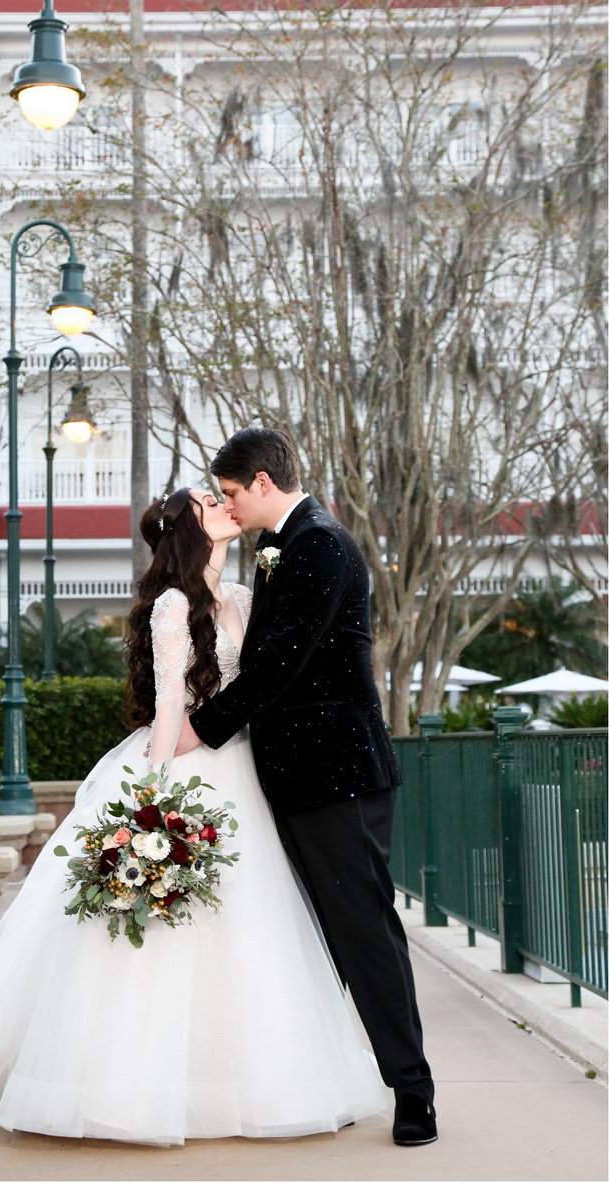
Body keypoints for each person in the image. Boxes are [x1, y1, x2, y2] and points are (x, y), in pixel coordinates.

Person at [0, 484, 391, 1146]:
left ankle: (255, 1079)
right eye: (209, 502)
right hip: (185, 762)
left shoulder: (243, 596)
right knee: (165, 928)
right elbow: (171, 702)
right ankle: (128, 1086)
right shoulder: (173, 604)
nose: (224, 504)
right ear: (189, 528)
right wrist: (155, 796)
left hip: (246, 771)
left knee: (254, 924)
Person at [174, 427, 437, 1147]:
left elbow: (280, 662)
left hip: (339, 778)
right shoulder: (283, 545)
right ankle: (332, 1083)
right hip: (294, 779)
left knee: (363, 935)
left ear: (263, 482)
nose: (229, 503)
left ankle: (413, 1092)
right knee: (316, 942)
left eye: (232, 492)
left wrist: (202, 727)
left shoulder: (320, 544)